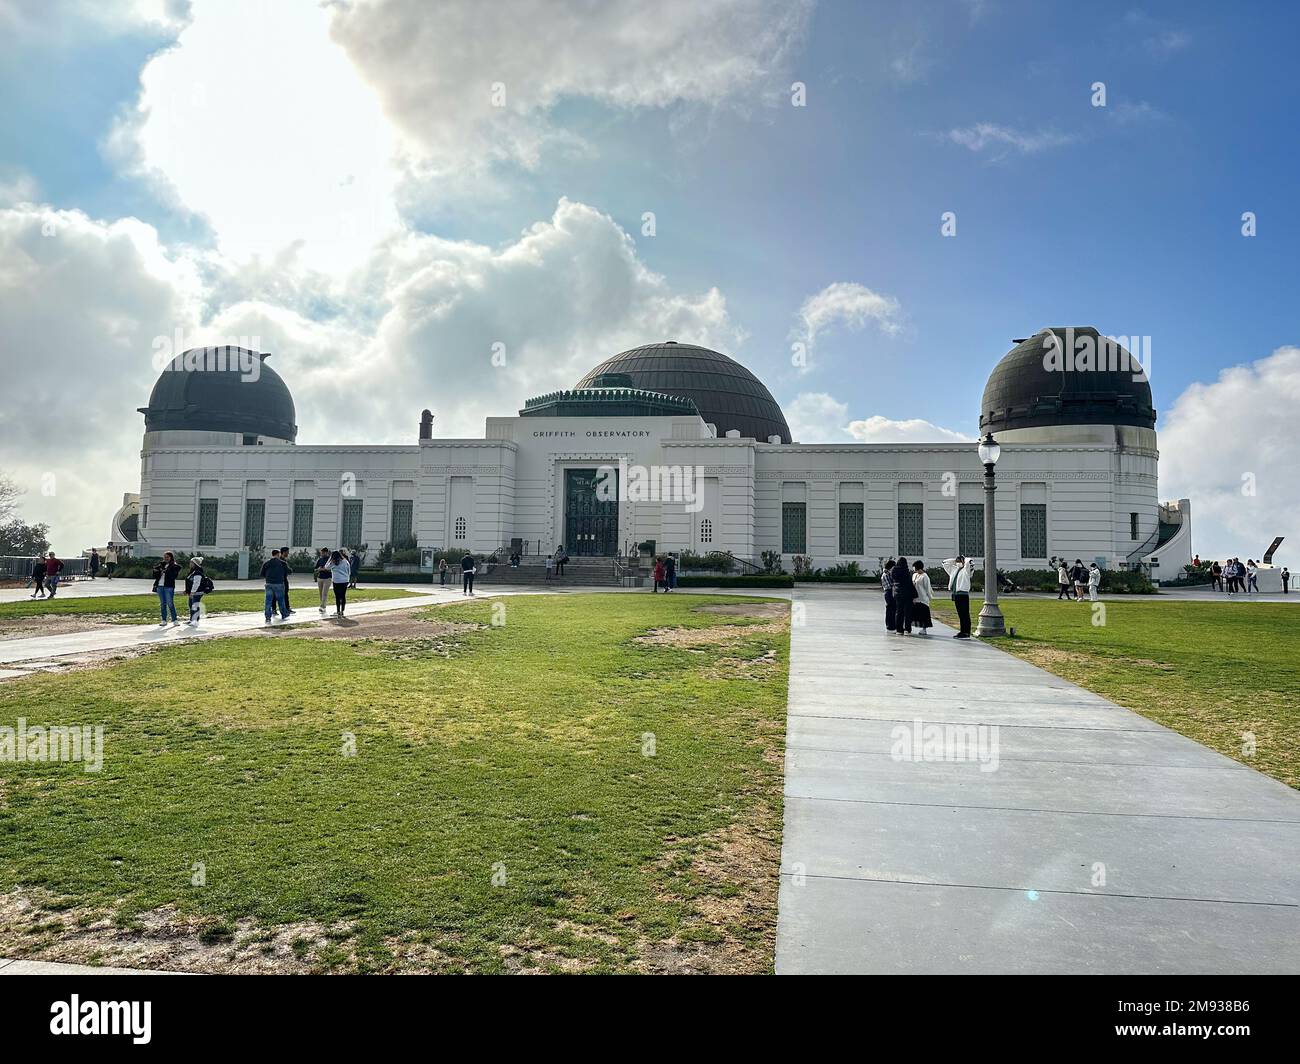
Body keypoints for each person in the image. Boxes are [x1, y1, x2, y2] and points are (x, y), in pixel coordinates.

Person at [941, 555, 973, 638]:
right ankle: (962, 631)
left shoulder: (966, 570)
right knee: (960, 614)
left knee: (965, 614)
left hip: (963, 594)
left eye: (959, 561)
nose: (958, 562)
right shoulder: (954, 570)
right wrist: (954, 560)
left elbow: (970, 562)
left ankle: (966, 632)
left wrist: (964, 559)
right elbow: (944, 563)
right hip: (956, 594)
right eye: (957, 561)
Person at [260, 548, 291, 624]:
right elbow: (289, 571)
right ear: (278, 554)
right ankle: (284, 614)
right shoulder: (282, 563)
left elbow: (262, 573)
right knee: (281, 600)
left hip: (269, 584)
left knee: (268, 601)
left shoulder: (266, 563)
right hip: (279, 584)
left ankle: (268, 617)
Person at [153, 551, 180, 626]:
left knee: (170, 603)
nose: (165, 558)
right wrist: (158, 572)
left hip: (169, 586)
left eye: (167, 557)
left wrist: (166, 571)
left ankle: (175, 620)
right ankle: (164, 620)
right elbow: (155, 575)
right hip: (160, 586)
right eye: (164, 557)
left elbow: (173, 576)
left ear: (171, 557)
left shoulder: (175, 566)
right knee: (162, 603)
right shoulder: (160, 565)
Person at [184, 556, 211, 626]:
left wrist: (192, 592)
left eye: (191, 562)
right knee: (191, 605)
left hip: (197, 592)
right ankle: (192, 620)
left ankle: (195, 621)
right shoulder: (193, 572)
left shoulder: (197, 572)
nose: (190, 564)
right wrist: (187, 591)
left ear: (195, 563)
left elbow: (196, 583)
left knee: (194, 606)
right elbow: (190, 582)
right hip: (193, 592)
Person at [891, 556, 914, 634]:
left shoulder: (894, 571)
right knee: (907, 612)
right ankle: (907, 629)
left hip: (897, 593)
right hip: (907, 593)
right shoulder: (906, 571)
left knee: (899, 611)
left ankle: (899, 629)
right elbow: (909, 583)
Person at [910, 560, 933, 635]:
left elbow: (927, 588)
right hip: (915, 598)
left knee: (923, 614)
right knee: (913, 614)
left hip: (922, 598)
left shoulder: (925, 577)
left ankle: (924, 629)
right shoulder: (914, 575)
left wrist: (929, 598)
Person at [329, 550, 351, 617]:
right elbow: (349, 571)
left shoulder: (333, 562)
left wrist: (330, 560)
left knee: (337, 596)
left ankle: (338, 611)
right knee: (343, 595)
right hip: (345, 580)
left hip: (336, 580)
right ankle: (342, 611)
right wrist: (347, 577)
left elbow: (326, 567)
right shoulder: (345, 561)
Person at [313, 548, 332, 614]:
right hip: (320, 578)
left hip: (327, 578)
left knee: (324, 593)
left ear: (327, 552)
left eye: (323, 553)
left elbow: (332, 569)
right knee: (321, 593)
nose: (322, 554)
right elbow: (315, 568)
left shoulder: (330, 560)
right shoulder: (320, 559)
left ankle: (322, 606)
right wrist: (318, 569)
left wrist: (324, 569)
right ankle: (323, 605)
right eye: (322, 553)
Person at [882, 557, 896, 632]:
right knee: (891, 609)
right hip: (889, 592)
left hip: (889, 592)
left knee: (891, 609)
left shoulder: (887, 573)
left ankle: (891, 625)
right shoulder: (886, 574)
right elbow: (891, 584)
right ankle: (890, 626)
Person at [279, 548, 294, 617]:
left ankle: (286, 608)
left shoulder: (283, 560)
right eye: (287, 552)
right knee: (284, 594)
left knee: (285, 594)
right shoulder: (281, 561)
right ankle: (286, 608)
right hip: (282, 579)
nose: (288, 553)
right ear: (283, 552)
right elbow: (288, 570)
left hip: (283, 578)